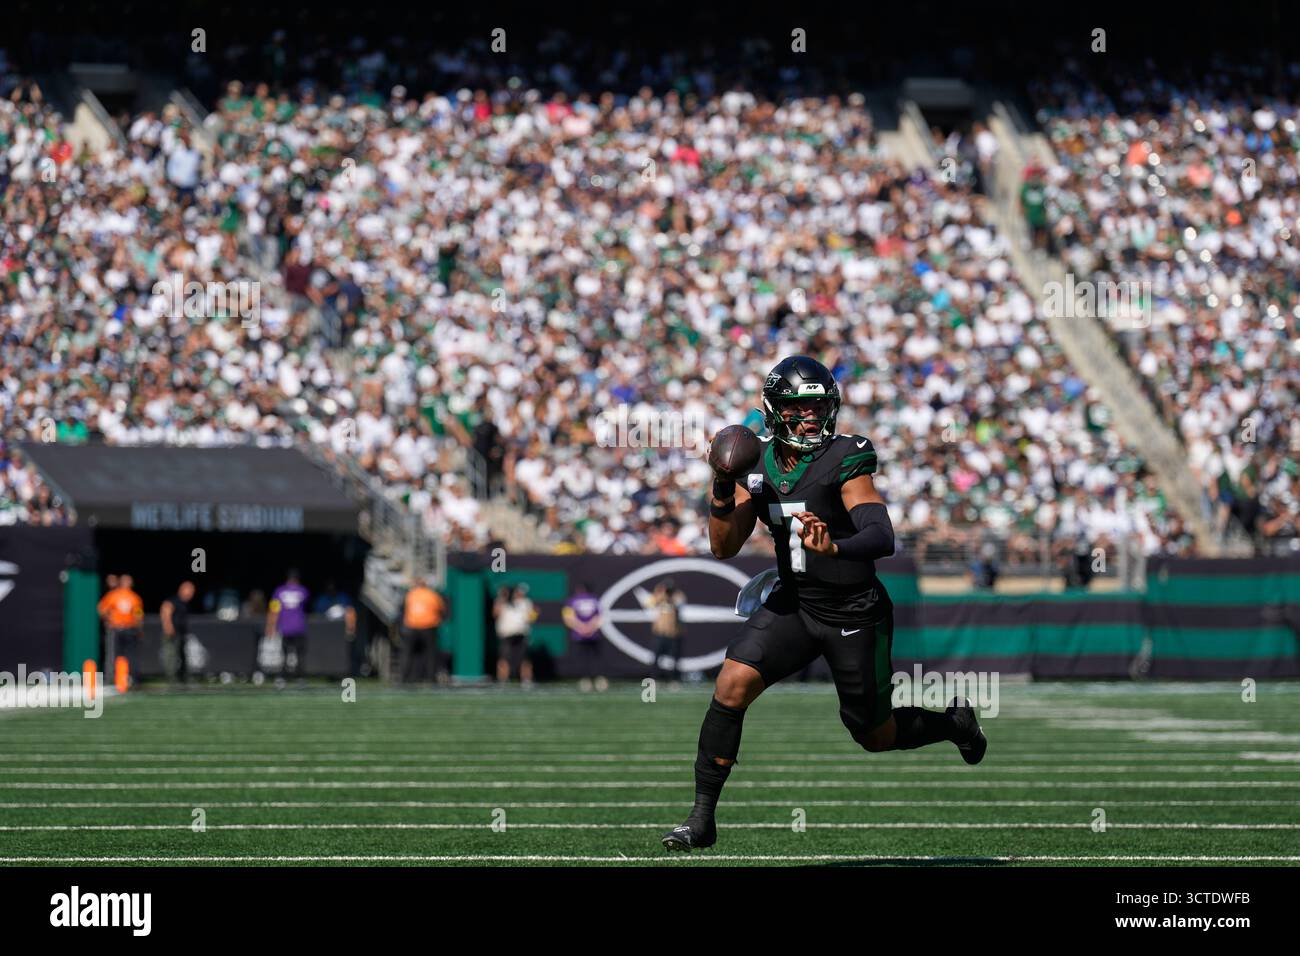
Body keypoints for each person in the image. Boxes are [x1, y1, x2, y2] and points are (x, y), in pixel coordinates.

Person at [663, 356, 987, 853]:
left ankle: (952, 724)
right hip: (795, 602)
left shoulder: (844, 457)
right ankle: (702, 818)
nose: (812, 417)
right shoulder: (757, 463)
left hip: (854, 612)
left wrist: (836, 548)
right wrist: (723, 486)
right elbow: (724, 546)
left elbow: (882, 536)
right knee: (731, 684)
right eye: (800, 408)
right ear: (775, 411)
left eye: (819, 407)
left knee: (872, 734)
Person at [97, 574, 144, 687]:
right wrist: (109, 620)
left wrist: (139, 627)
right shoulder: (113, 595)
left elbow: (138, 614)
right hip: (116, 628)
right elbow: (101, 609)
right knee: (113, 654)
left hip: (130, 628)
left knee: (131, 655)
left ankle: (132, 678)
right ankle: (112, 678)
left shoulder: (134, 597)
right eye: (124, 581)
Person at [399, 578, 447, 684]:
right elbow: (441, 609)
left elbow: (403, 609)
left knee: (407, 653)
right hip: (429, 627)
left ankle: (404, 677)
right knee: (431, 654)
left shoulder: (411, 594)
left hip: (411, 627)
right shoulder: (432, 595)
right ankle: (431, 677)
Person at [266, 569, 311, 683]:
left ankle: (283, 678)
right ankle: (299, 678)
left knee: (285, 654)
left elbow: (274, 610)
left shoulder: (279, 591)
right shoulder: (303, 590)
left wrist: (271, 626)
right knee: (299, 655)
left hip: (285, 627)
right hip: (298, 627)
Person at [563, 582, 605, 692]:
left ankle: (585, 680)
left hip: (579, 633)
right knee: (595, 658)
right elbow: (600, 616)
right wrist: (590, 627)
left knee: (583, 659)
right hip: (593, 633)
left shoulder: (572, 600)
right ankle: (598, 679)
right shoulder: (595, 599)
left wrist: (581, 627)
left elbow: (568, 618)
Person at [314, 580, 361, 676]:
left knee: (346, 653)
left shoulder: (344, 598)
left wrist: (351, 630)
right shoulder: (323, 600)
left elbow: (351, 612)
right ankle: (329, 673)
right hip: (328, 633)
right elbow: (317, 616)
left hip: (342, 632)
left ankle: (348, 671)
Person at [494, 584, 536, 684]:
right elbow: (495, 613)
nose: (520, 594)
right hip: (506, 634)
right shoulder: (503, 602)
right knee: (504, 658)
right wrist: (502, 599)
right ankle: (503, 679)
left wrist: (534, 615)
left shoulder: (526, 602)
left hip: (521, 633)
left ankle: (526, 679)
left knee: (525, 658)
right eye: (518, 592)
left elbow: (531, 617)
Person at [160, 581, 197, 684]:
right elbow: (165, 610)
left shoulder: (184, 603)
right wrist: (168, 626)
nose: (191, 593)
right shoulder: (174, 600)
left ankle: (182, 677)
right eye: (189, 590)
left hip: (181, 633)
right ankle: (171, 678)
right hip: (172, 633)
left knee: (182, 656)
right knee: (171, 656)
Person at [649, 579, 685, 682]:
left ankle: (673, 679)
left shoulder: (677, 596)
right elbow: (650, 603)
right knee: (656, 657)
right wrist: (660, 593)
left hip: (672, 633)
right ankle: (654, 678)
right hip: (660, 632)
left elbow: (680, 602)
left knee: (674, 658)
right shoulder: (660, 596)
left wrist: (671, 597)